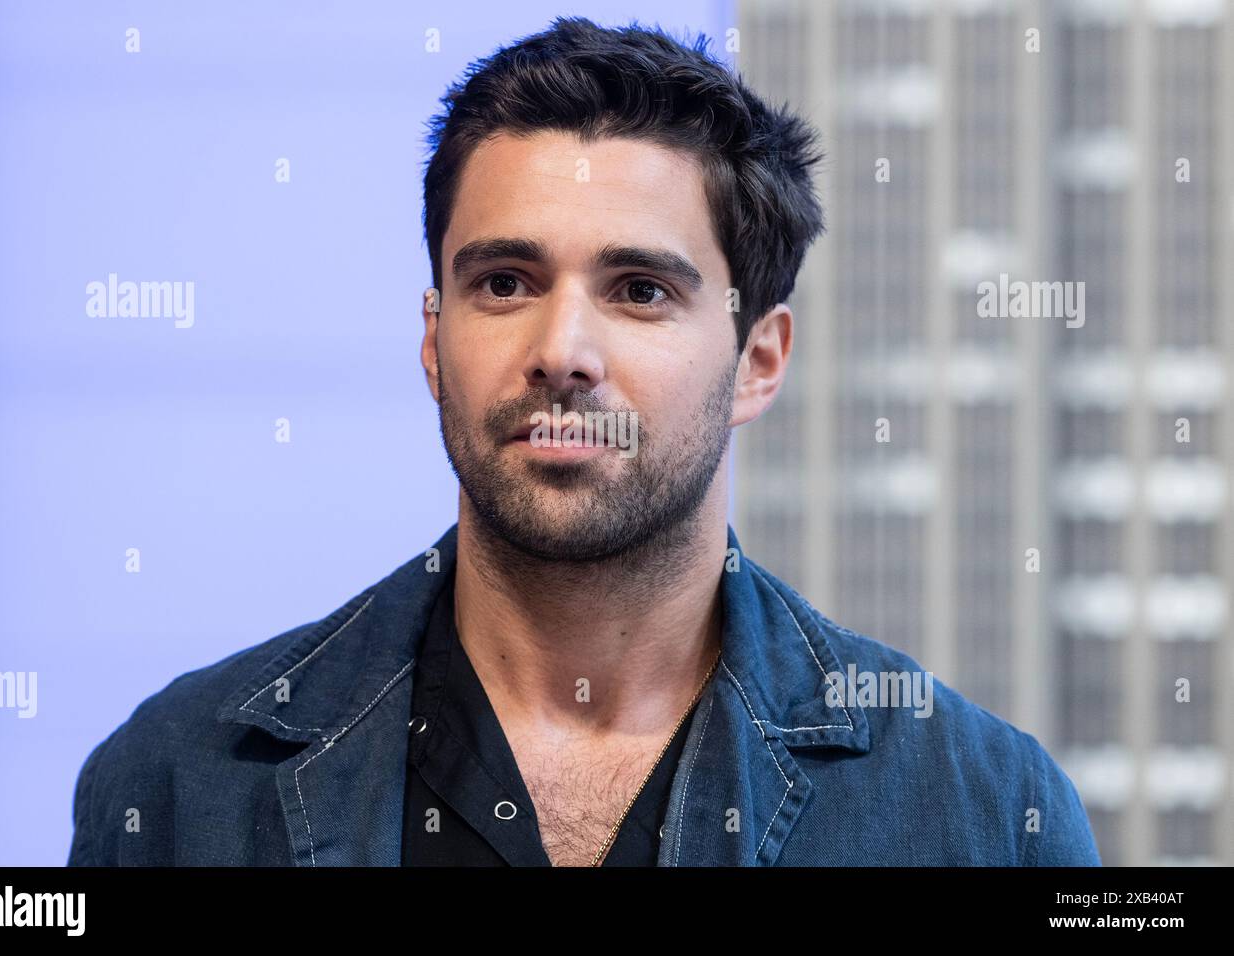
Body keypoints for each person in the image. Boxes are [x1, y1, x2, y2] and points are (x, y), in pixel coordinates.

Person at [66, 15, 1100, 867]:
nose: (561, 349)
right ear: (435, 339)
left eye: (639, 290)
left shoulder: (983, 814)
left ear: (757, 359)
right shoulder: (174, 786)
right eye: (504, 283)